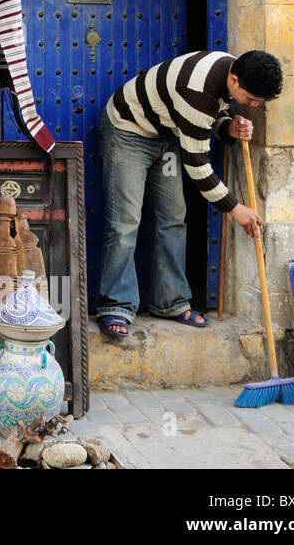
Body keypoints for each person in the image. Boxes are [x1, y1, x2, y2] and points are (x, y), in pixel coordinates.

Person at [97, 50, 283, 337]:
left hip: (167, 135)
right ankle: (116, 305)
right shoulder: (198, 91)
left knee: (172, 219)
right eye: (252, 99)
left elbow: (211, 117)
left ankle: (169, 302)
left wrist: (228, 126)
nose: (253, 106)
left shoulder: (234, 67)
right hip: (129, 132)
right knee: (125, 222)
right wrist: (236, 208)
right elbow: (197, 164)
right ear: (234, 80)